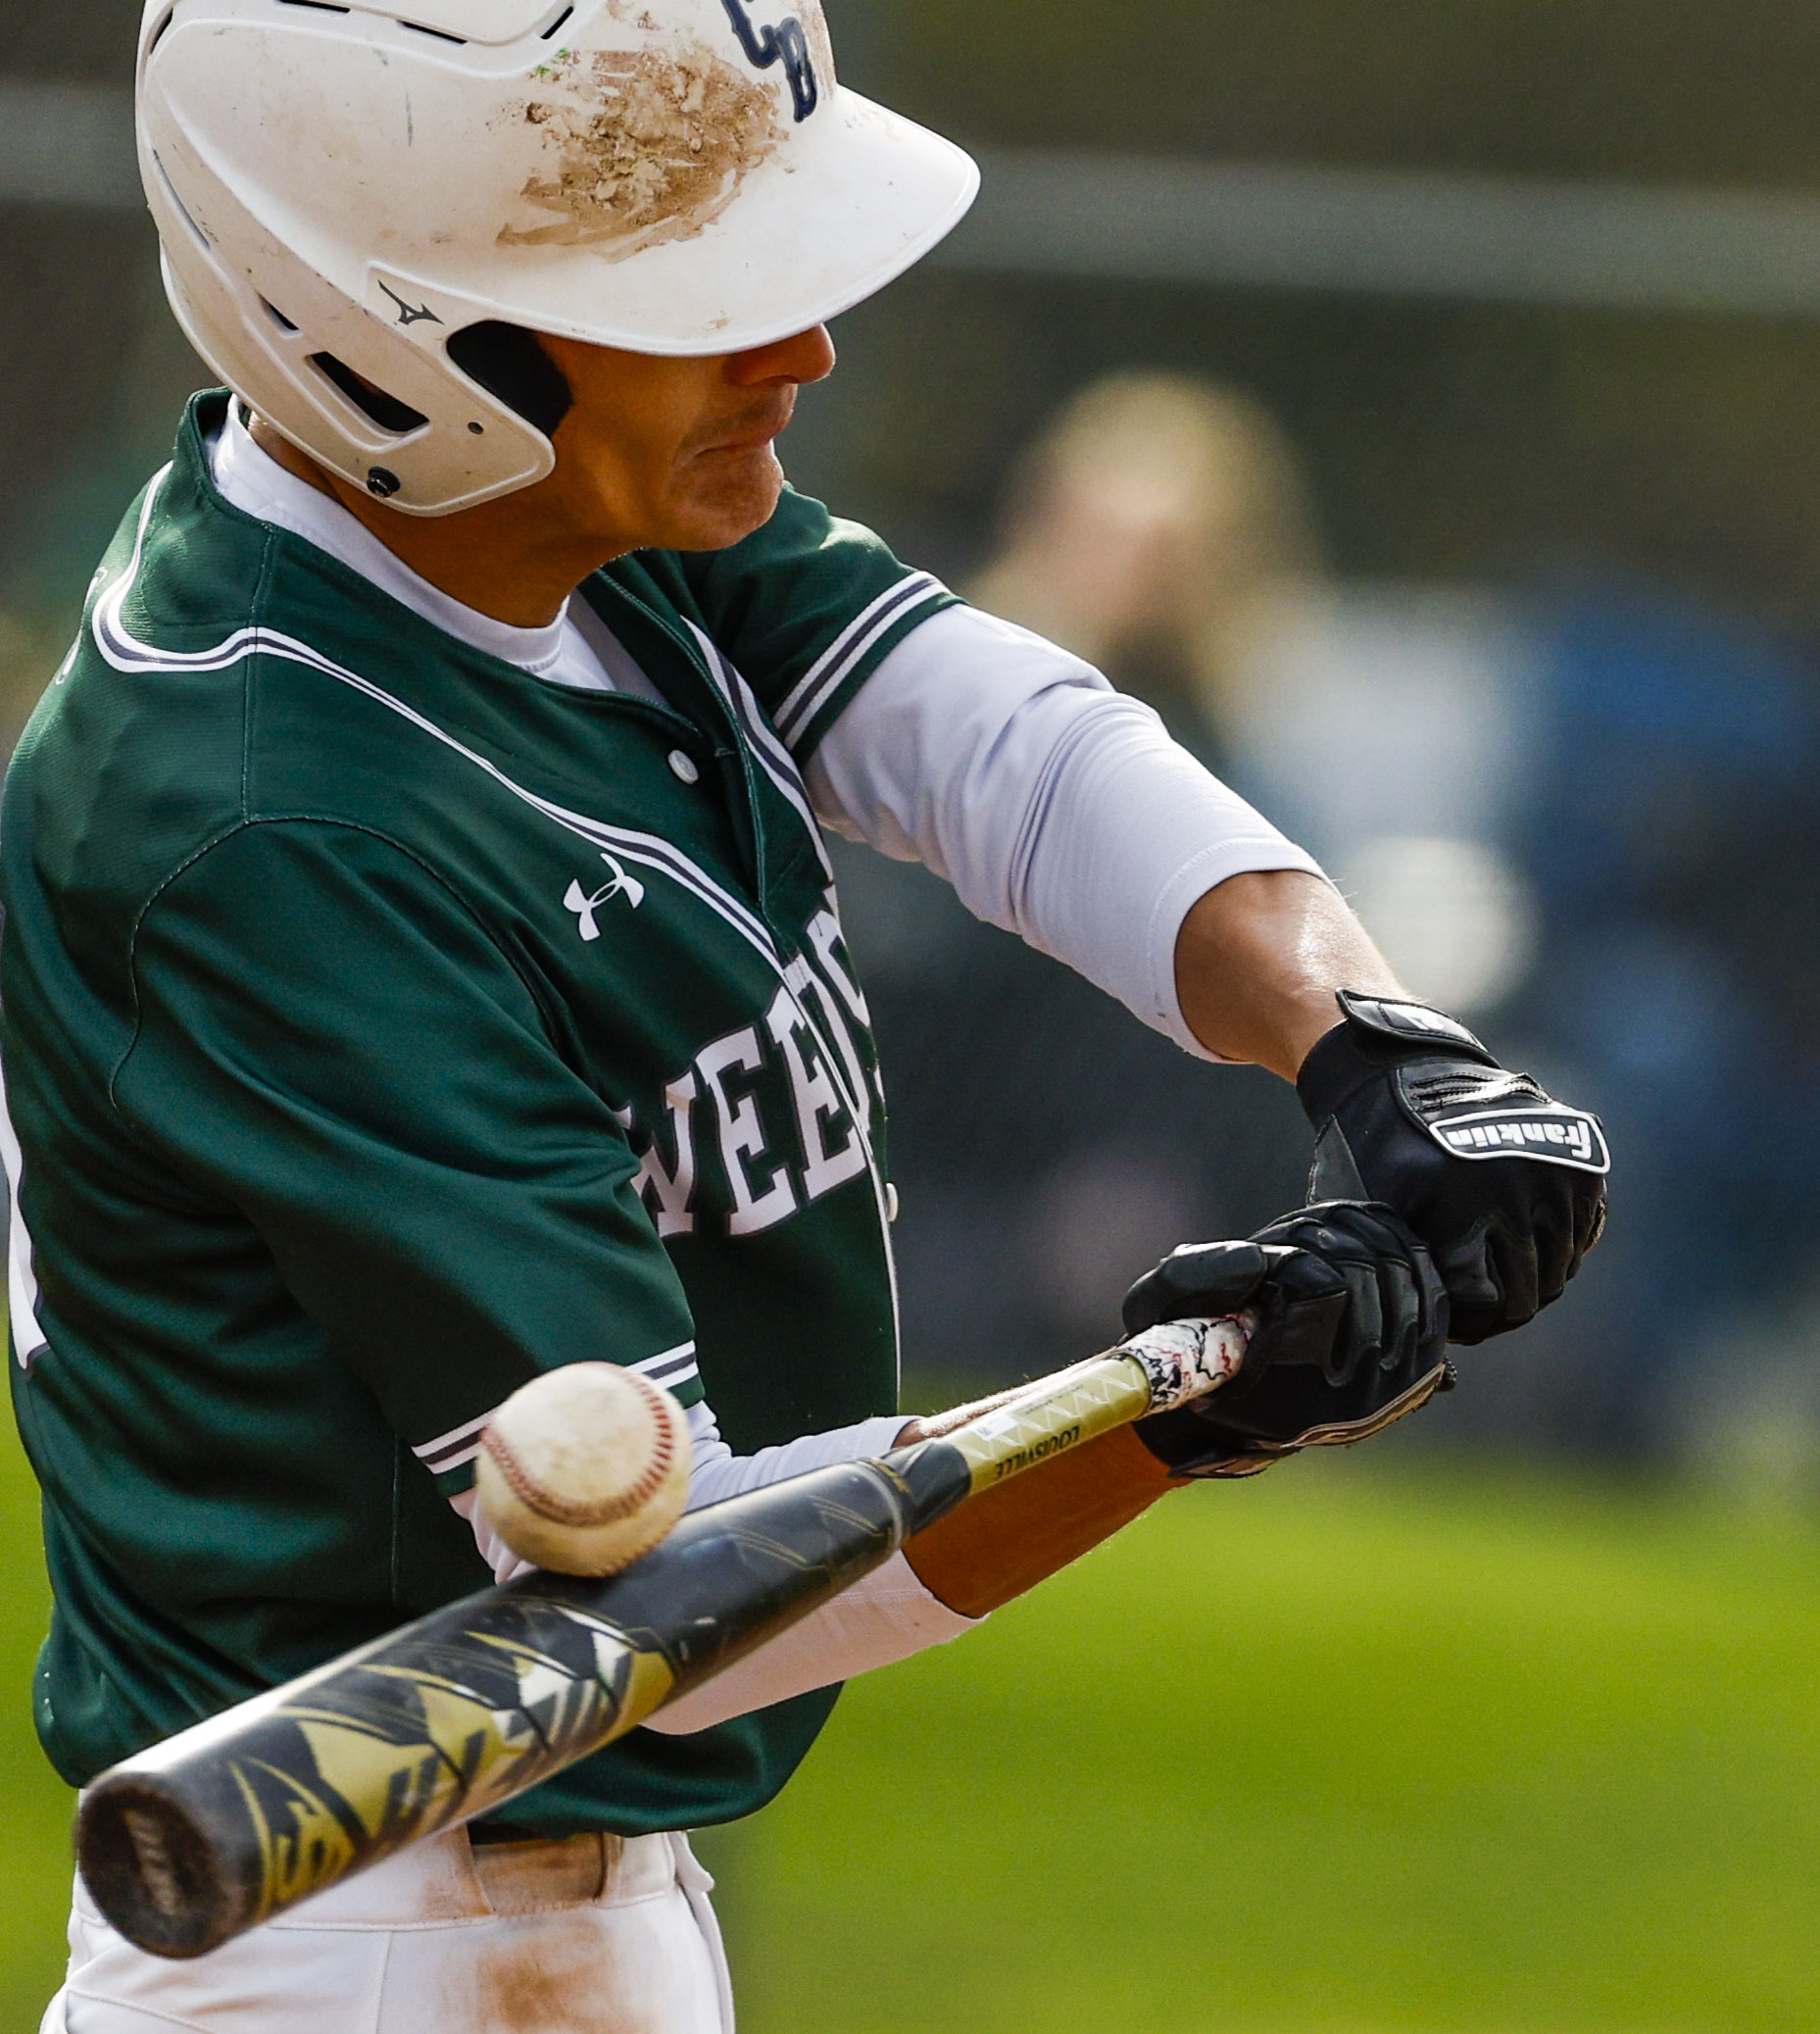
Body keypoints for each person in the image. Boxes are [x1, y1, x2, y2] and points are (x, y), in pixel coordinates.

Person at [4, 2, 1608, 2027]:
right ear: (405, 331)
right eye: (697, 295)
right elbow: (657, 1591)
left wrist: (1364, 1041)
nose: (804, 351)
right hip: (362, 1938)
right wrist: (1197, 1411)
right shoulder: (261, 829)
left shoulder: (552, 516)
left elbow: (983, 733)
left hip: (567, 1909)